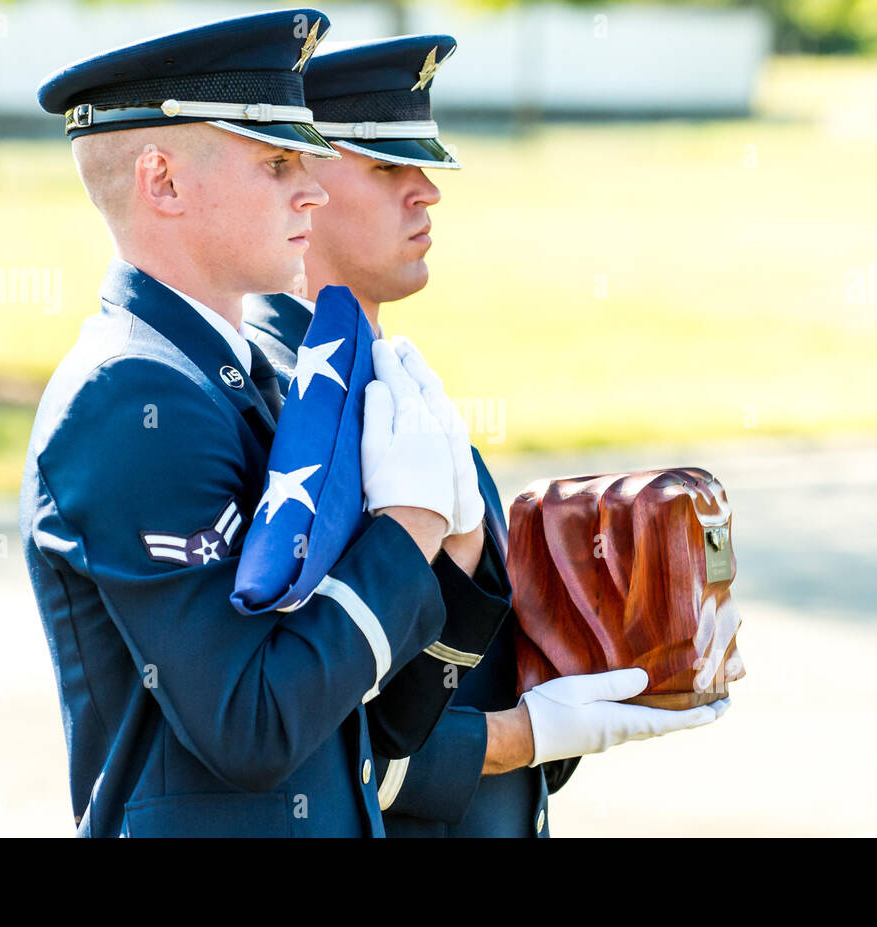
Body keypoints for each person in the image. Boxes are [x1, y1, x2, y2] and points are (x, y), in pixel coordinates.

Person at [242, 34, 743, 837]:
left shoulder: (397, 381)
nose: (427, 192)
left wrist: (620, 648)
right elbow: (302, 736)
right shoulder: (271, 404)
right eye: (387, 167)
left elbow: (469, 663)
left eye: (421, 164)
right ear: (296, 181)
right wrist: (521, 737)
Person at [19, 11, 494, 837]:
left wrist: (459, 544)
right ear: (163, 182)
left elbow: (369, 725)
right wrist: (408, 527)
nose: (312, 187)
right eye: (277, 162)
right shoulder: (131, 397)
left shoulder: (245, 376)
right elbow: (254, 726)